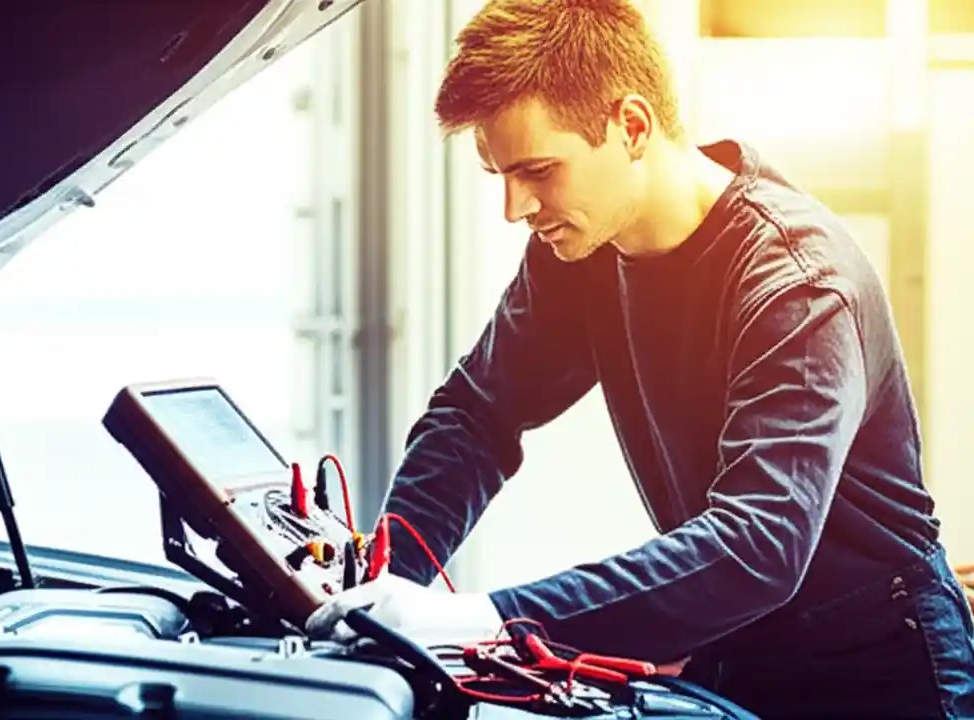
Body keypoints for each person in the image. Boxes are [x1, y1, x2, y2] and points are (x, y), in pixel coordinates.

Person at [305, 0, 974, 716]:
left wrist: (484, 618)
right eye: (499, 174)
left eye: (538, 170)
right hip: (739, 643)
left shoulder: (796, 283)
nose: (514, 208)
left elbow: (758, 544)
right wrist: (384, 589)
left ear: (631, 126)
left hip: (881, 668)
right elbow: (479, 415)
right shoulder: (582, 251)